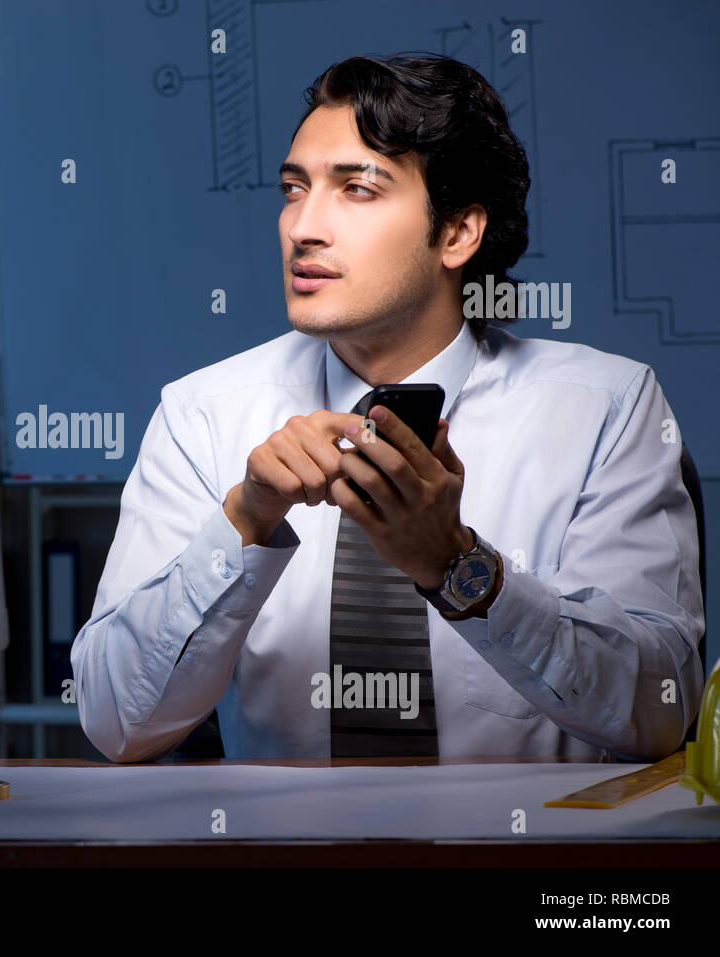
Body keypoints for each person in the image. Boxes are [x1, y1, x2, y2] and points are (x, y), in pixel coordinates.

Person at [70, 52, 705, 763]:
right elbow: (115, 723)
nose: (302, 227)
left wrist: (458, 568)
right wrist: (243, 524)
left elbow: (661, 711)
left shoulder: (608, 409)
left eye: (358, 190)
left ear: (459, 232)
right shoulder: (202, 415)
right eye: (293, 189)